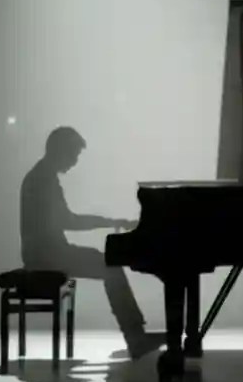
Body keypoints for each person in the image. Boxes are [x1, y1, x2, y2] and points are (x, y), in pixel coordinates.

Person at [19, 126, 163, 358]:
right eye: (73, 154)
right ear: (60, 150)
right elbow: (69, 220)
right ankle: (135, 337)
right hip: (47, 255)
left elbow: (64, 220)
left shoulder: (40, 176)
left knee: (106, 262)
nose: (75, 161)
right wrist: (110, 221)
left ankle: (135, 334)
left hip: (43, 252)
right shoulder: (44, 180)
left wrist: (111, 222)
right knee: (109, 265)